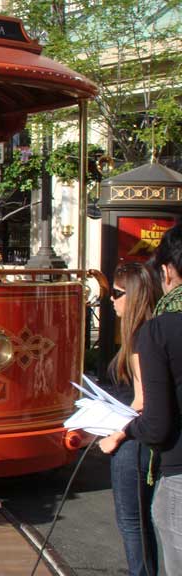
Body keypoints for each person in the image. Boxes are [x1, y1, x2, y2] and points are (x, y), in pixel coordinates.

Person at [101, 222, 182, 574]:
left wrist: (120, 432)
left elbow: (151, 414)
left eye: (116, 293)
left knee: (143, 529)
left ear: (167, 270)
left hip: (164, 458)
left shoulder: (155, 333)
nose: (111, 300)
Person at [104, 262, 161, 576]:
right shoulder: (143, 336)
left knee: (132, 522)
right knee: (137, 522)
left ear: (134, 296)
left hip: (133, 443)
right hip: (136, 439)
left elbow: (142, 401)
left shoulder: (139, 340)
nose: (111, 300)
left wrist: (115, 436)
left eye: (116, 293)